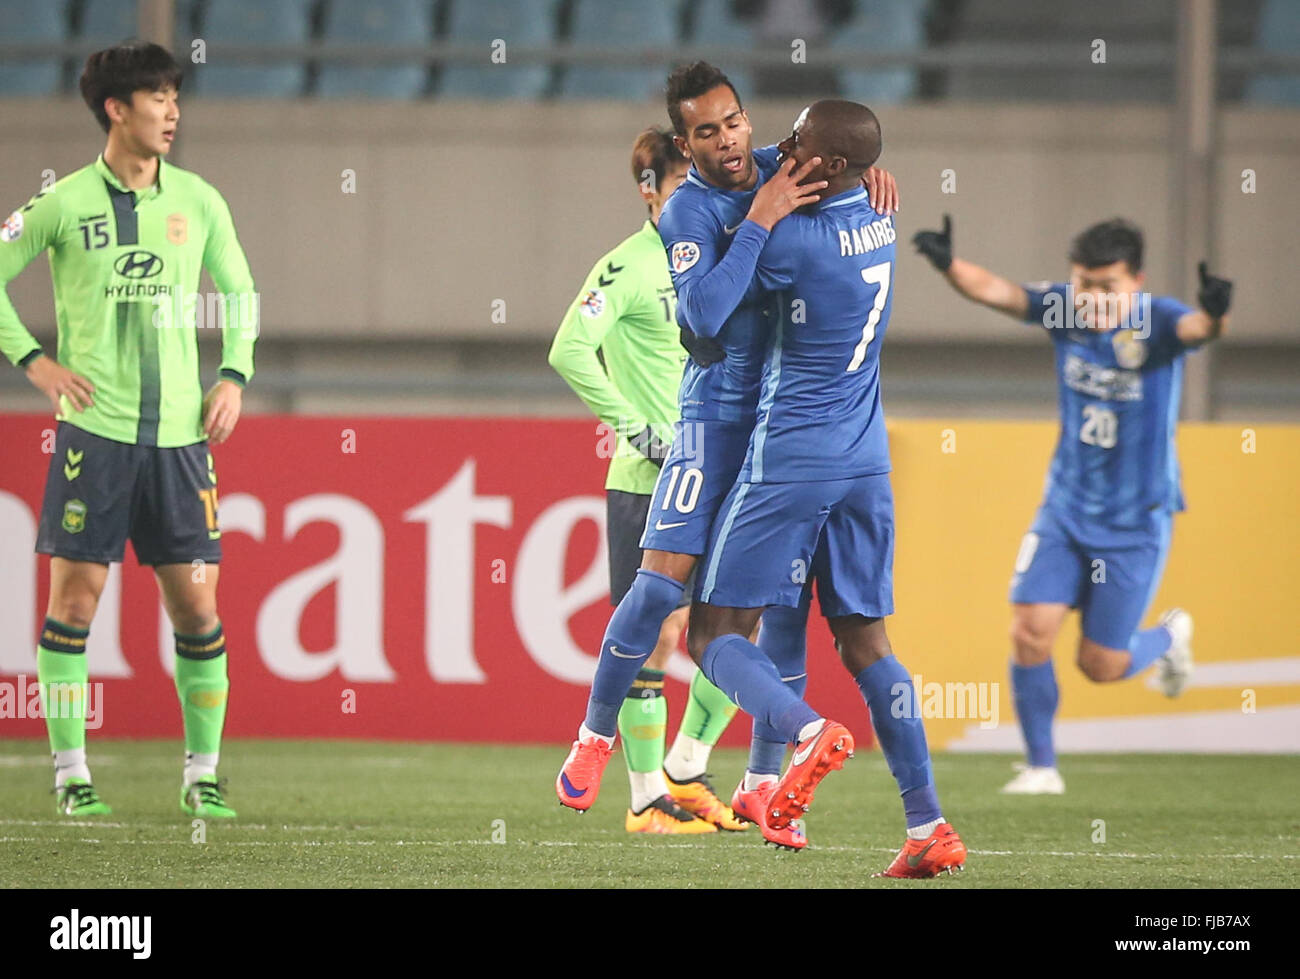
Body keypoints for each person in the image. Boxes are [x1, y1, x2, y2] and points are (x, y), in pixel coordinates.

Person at [554, 62, 899, 853]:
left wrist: (872, 172)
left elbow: (841, 150)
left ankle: (764, 782)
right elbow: (703, 318)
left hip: (776, 432)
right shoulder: (690, 208)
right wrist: (762, 221)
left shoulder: (780, 161)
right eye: (707, 131)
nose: (729, 140)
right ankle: (593, 736)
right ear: (687, 142)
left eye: (735, 121)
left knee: (775, 615)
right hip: (709, 425)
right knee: (653, 593)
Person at [681, 99, 966, 878]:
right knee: (867, 643)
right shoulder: (875, 216)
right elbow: (815, 163)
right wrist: (827, 169)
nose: (782, 144)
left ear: (831, 166)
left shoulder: (795, 241)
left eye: (800, 140)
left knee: (708, 637)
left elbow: (704, 311)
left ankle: (807, 731)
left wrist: (758, 217)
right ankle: (928, 823)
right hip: (866, 458)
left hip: (791, 456)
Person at [0, 42, 257, 818]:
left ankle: (202, 775)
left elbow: (239, 290)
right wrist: (35, 362)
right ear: (117, 109)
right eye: (157, 96)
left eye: (177, 96)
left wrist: (234, 375)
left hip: (181, 441)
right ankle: (73, 775)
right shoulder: (61, 202)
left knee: (199, 609)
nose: (173, 110)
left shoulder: (200, 200)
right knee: (75, 604)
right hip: (95, 436)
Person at [911, 215, 1232, 795]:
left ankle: (1167, 637)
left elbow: (1198, 331)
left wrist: (1215, 313)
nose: (1092, 299)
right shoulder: (1065, 310)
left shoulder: (1157, 323)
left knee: (1100, 665)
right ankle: (1041, 767)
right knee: (1029, 631)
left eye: (1107, 287)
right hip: (1064, 509)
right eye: (1083, 284)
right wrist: (947, 264)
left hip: (1135, 521)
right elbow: (1002, 293)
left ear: (1138, 282)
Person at [549, 127, 746, 834]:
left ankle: (686, 764)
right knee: (656, 635)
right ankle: (644, 796)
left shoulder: (713, 252)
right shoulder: (626, 265)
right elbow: (569, 347)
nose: (694, 193)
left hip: (725, 471)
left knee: (737, 624)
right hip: (649, 477)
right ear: (648, 189)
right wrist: (637, 430)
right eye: (680, 182)